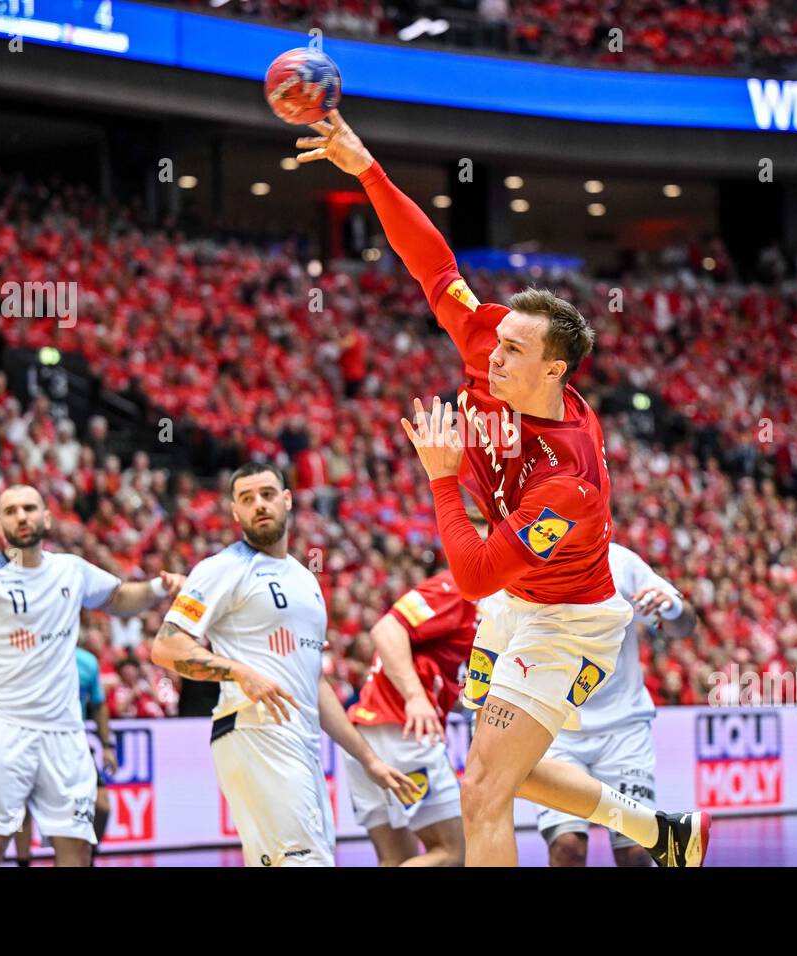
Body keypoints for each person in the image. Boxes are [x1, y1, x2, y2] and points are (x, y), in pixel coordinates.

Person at [298, 113, 709, 867]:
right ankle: (663, 830)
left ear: (554, 371)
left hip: (565, 617)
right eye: (498, 336)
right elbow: (431, 266)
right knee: (497, 775)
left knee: (484, 790)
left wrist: (444, 478)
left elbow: (475, 573)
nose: (492, 351)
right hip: (511, 605)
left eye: (514, 348)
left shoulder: (568, 479)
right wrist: (367, 171)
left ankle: (656, 831)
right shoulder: (491, 343)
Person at [151, 461, 418, 867]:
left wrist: (369, 759)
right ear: (234, 513)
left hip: (300, 741)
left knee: (293, 860)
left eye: (267, 494)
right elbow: (166, 647)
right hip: (253, 729)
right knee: (305, 861)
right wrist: (239, 671)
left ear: (287, 501)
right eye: (247, 499)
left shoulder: (305, 579)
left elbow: (314, 681)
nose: (259, 505)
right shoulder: (222, 568)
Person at [0, 484, 185, 867]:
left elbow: (120, 599)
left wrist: (160, 586)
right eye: (11, 511)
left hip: (65, 731)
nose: (22, 516)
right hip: (3, 727)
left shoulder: (70, 570)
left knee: (76, 848)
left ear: (47, 517)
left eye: (29, 508)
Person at [539, 542, 696, 867]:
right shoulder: (530, 557)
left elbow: (685, 626)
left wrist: (672, 610)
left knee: (636, 851)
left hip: (623, 728)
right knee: (567, 846)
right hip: (556, 728)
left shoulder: (620, 561)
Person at [344, 551, 485, 866]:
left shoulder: (484, 610)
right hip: (403, 729)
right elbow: (385, 630)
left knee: (396, 859)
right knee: (452, 853)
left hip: (367, 735)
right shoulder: (455, 588)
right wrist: (415, 697)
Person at [13, 637, 117, 866]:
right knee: (21, 806)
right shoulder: (30, 656)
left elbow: (98, 704)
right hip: (29, 739)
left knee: (102, 806)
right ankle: (22, 861)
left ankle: (89, 855)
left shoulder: (87, 662)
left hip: (73, 742)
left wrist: (107, 746)